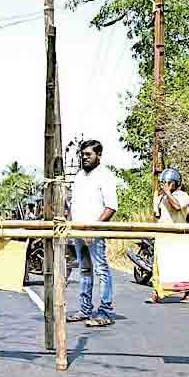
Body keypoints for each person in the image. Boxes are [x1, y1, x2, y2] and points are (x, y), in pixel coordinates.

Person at [65, 140, 118, 328]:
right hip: (78, 232)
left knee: (101, 269)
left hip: (94, 233)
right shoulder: (79, 176)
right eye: (83, 154)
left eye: (88, 154)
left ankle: (105, 311)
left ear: (99, 155)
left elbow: (111, 207)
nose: (84, 157)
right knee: (85, 269)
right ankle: (85, 309)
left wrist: (92, 229)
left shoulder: (105, 176)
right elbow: (73, 204)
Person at [148, 167, 189, 303]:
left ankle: (188, 292)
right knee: (158, 266)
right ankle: (156, 293)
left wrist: (167, 193)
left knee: (179, 265)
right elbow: (157, 215)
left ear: (175, 183)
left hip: (177, 236)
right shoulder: (161, 197)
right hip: (162, 235)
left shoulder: (183, 196)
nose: (166, 185)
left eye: (169, 183)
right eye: (164, 183)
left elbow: (177, 207)